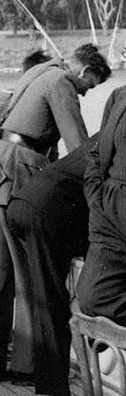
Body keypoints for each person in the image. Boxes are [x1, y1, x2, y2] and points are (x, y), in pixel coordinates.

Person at [0, 43, 109, 385]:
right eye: (89, 87)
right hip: (18, 171)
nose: (86, 94)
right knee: (31, 277)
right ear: (84, 72)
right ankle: (28, 367)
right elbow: (81, 147)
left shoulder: (38, 71)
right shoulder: (62, 82)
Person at [7, 133, 96, 396]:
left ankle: (50, 383)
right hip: (47, 213)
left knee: (47, 299)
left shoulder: (107, 135)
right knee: (51, 302)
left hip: (28, 204)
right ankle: (53, 388)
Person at [79, 84, 126, 327]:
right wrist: (95, 197)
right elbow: (97, 154)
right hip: (110, 210)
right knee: (93, 296)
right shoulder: (119, 96)